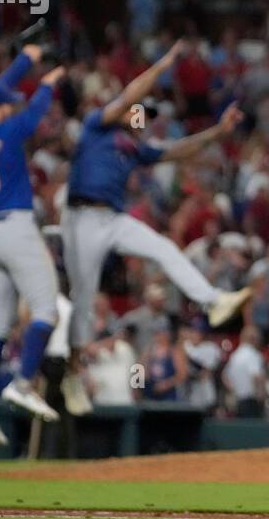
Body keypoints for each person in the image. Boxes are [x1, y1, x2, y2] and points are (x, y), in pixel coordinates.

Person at [61, 40, 251, 382]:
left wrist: (218, 132)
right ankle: (72, 369)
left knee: (163, 248)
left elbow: (179, 150)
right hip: (81, 217)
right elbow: (129, 95)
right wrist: (163, 66)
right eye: (138, 112)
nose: (140, 117)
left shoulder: (135, 149)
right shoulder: (97, 127)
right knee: (84, 295)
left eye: (145, 114)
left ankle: (212, 300)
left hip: (112, 218)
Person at [0, 45, 66, 444]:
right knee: (46, 310)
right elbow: (35, 113)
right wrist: (48, 84)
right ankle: (21, 383)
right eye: (5, 106)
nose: (10, 108)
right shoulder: (7, 129)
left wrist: (25, 59)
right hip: (16, 228)